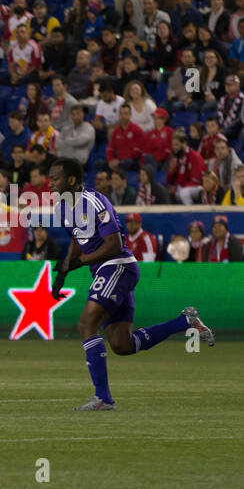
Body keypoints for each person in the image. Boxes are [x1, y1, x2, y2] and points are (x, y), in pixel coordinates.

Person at [47, 156, 215, 411]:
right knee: (122, 345)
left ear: (71, 180)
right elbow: (76, 237)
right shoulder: (61, 206)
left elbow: (113, 245)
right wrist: (62, 273)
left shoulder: (94, 202)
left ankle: (103, 399)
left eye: (55, 178)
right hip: (105, 270)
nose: (49, 183)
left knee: (86, 325)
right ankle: (186, 321)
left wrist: (78, 263)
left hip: (118, 265)